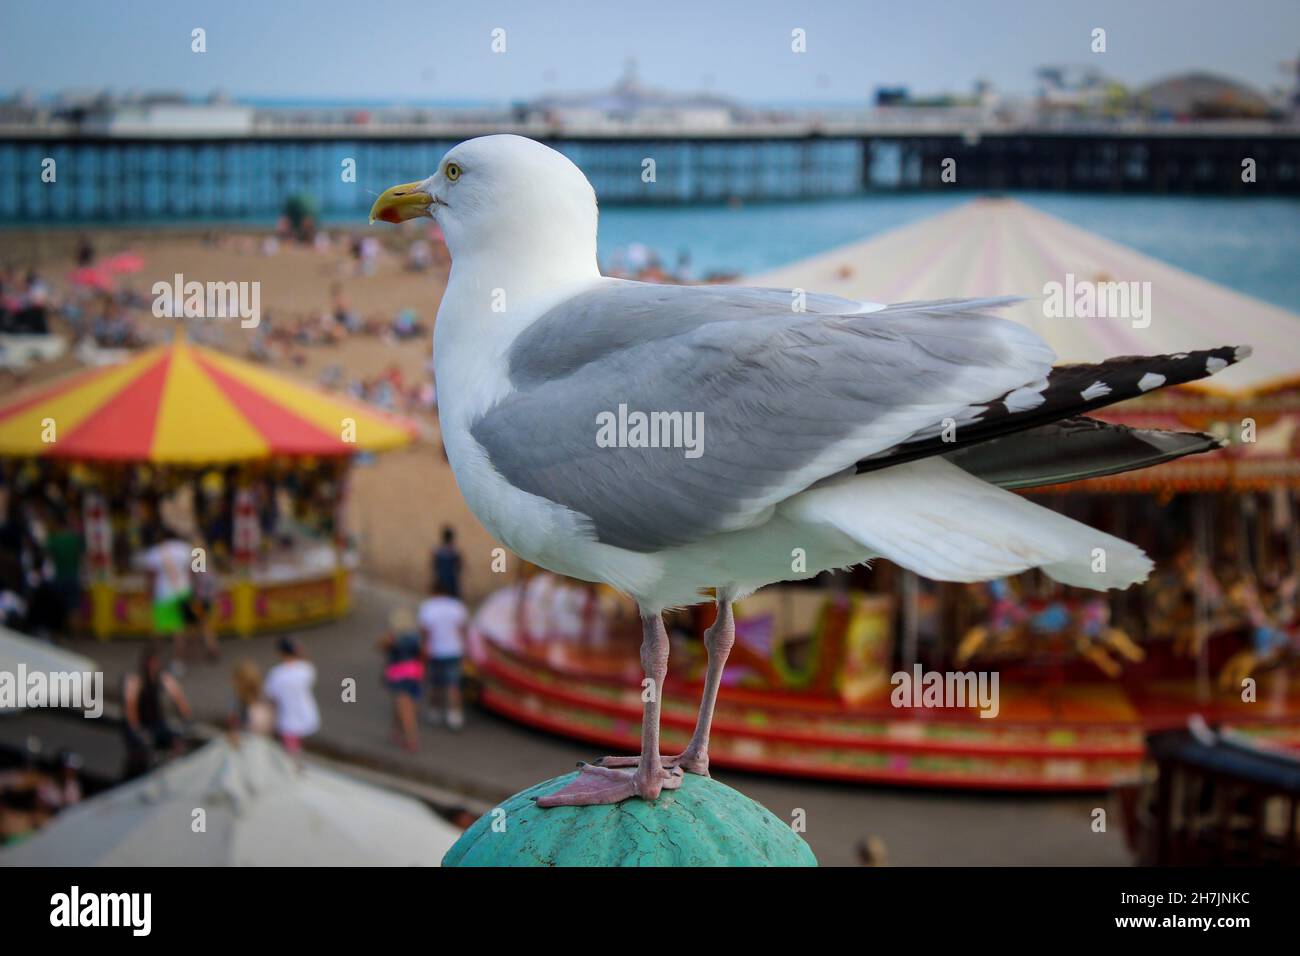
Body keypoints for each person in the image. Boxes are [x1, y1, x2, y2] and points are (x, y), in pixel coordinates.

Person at [122, 647, 192, 779]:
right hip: (142, 723)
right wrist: (137, 729)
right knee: (141, 750)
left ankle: (173, 771)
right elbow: (130, 708)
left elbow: (177, 697)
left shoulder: (162, 677)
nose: (153, 667)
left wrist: (186, 717)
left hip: (157, 722)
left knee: (178, 741)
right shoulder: (135, 680)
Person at [140, 527, 196, 663]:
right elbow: (194, 571)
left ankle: (154, 660)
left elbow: (150, 576)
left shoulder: (155, 551)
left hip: (163, 594)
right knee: (179, 629)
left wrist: (148, 593)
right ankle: (178, 661)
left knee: (159, 629)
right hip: (183, 592)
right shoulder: (187, 549)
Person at [418, 578, 468, 730]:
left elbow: (424, 632)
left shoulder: (428, 607)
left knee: (436, 683)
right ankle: (455, 716)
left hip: (435, 651)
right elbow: (463, 630)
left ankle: (435, 712)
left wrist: (423, 648)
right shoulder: (457, 606)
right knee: (453, 685)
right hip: (454, 650)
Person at [263, 637, 320, 757]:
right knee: (300, 744)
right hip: (307, 714)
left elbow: (270, 697)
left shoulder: (276, 674)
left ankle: (295, 769)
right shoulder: (307, 669)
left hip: (287, 718)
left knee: (291, 751)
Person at [381, 607, 424, 752]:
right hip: (415, 673)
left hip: (398, 674)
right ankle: (397, 730)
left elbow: (382, 646)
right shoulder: (416, 637)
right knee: (407, 704)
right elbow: (423, 653)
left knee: (404, 707)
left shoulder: (394, 637)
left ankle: (410, 737)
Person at [227, 659, 275, 738]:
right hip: (264, 737)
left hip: (246, 737)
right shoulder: (265, 694)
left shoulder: (237, 699)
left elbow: (232, 720)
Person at [432, 526, 463, 599]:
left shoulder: (437, 550)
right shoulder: (455, 551)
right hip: (451, 579)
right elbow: (459, 566)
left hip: (441, 578)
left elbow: (434, 565)